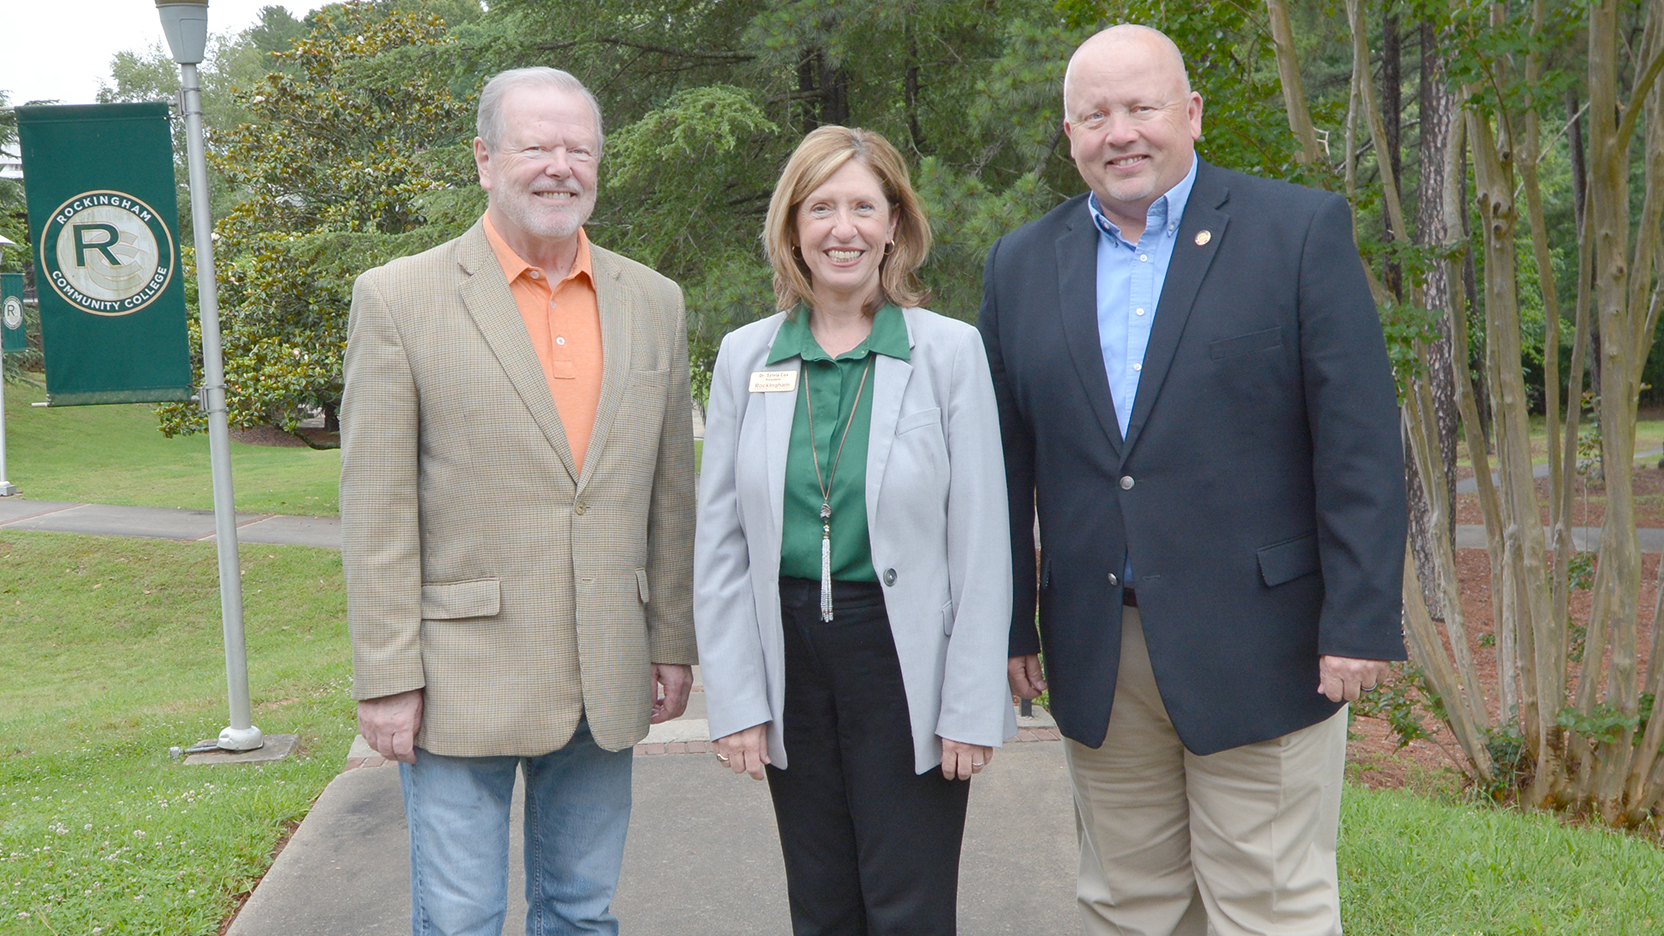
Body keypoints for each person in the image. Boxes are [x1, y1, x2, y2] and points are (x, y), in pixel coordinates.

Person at [978, 25, 1408, 936]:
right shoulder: (1021, 264)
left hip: (1268, 644)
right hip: (1101, 648)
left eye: (1141, 107)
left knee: (1268, 906)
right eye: (1096, 115)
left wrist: (1361, 620)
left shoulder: (1297, 229)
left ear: (1192, 114)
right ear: (1069, 135)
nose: (1120, 133)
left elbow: (1360, 442)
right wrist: (1013, 623)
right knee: (1127, 907)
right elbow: (1006, 465)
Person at [341, 66, 695, 936]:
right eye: (536, 145)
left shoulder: (653, 301)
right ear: (485, 160)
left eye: (579, 148)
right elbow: (377, 505)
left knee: (582, 912)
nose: (559, 166)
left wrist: (671, 639)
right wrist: (386, 678)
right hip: (458, 678)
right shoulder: (398, 297)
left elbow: (669, 497)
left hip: (605, 668)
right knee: (460, 920)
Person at [694, 125, 1015, 936]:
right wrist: (734, 698)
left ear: (896, 225)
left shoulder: (949, 354)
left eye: (864, 207)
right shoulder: (744, 358)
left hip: (904, 656)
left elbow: (981, 539)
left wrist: (971, 704)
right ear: (792, 227)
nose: (844, 228)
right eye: (821, 207)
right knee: (821, 899)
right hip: (789, 654)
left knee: (908, 903)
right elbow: (722, 546)